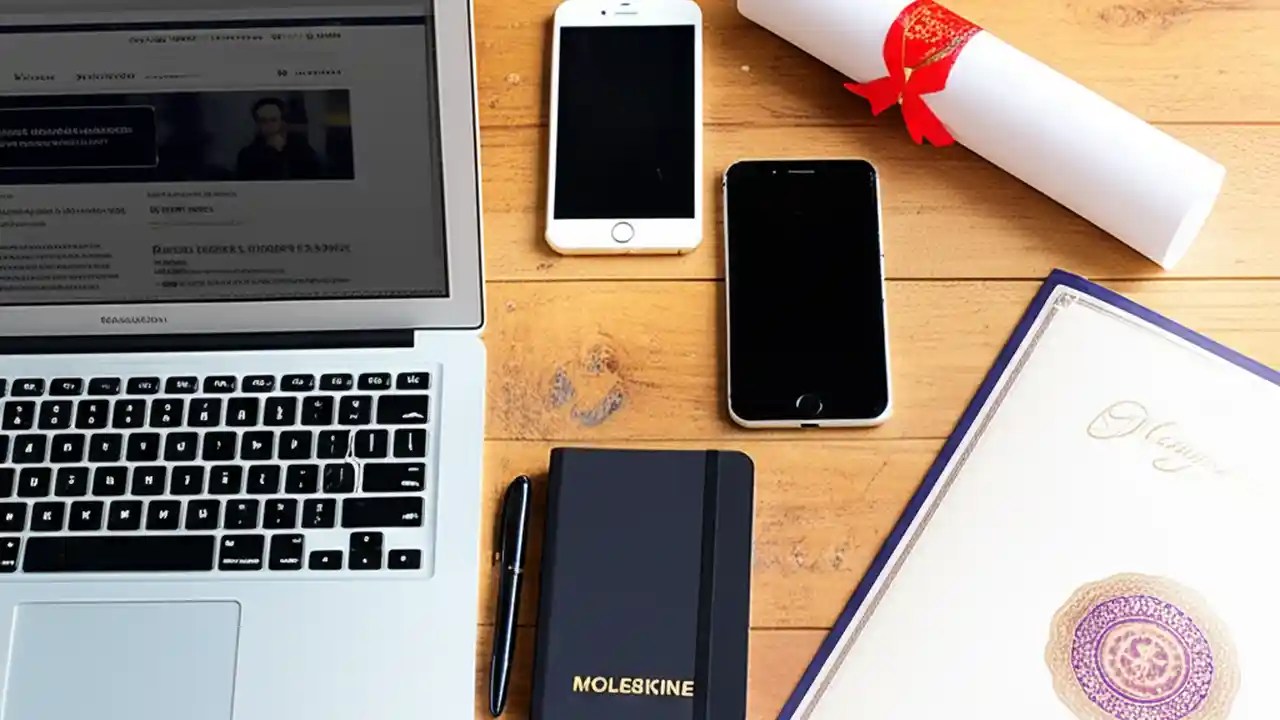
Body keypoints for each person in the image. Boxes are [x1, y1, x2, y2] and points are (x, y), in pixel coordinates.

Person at [236, 97, 323, 180]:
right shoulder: (248, 154)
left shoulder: (299, 146)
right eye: (263, 121)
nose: (269, 125)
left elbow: (314, 173)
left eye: (273, 120)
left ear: (282, 121)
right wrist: (273, 152)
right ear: (257, 124)